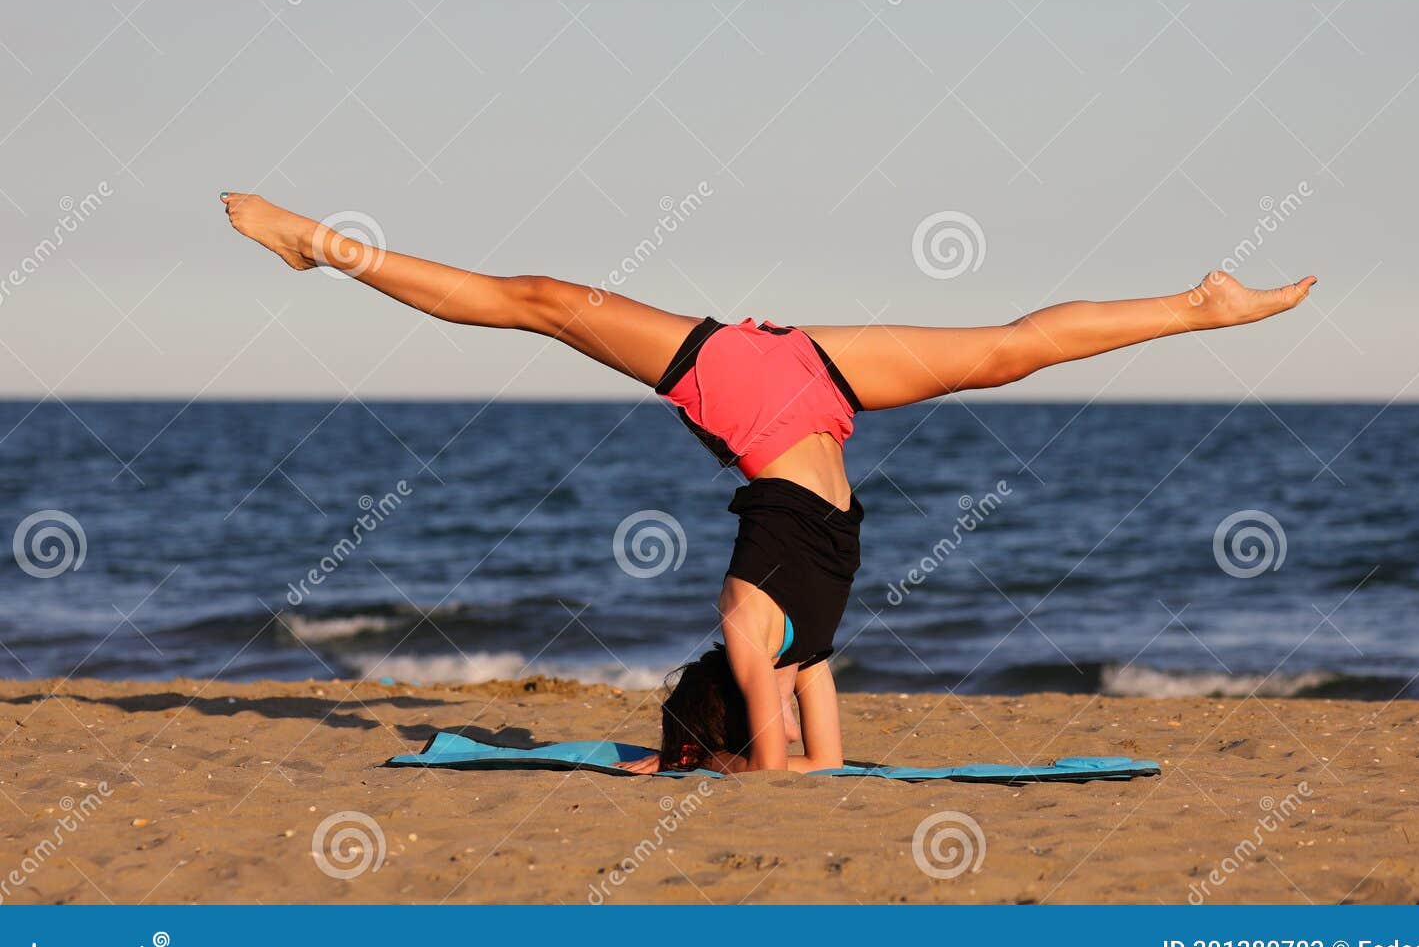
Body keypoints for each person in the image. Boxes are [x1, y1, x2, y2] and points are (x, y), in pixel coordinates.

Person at [221, 191, 1315, 774]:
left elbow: (802, 762)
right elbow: (804, 769)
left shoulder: (794, 641)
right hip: (801, 389)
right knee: (1003, 350)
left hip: (774, 407)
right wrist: (712, 763)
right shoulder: (771, 640)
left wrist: (695, 766)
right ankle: (1196, 309)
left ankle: (320, 244)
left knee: (540, 302)